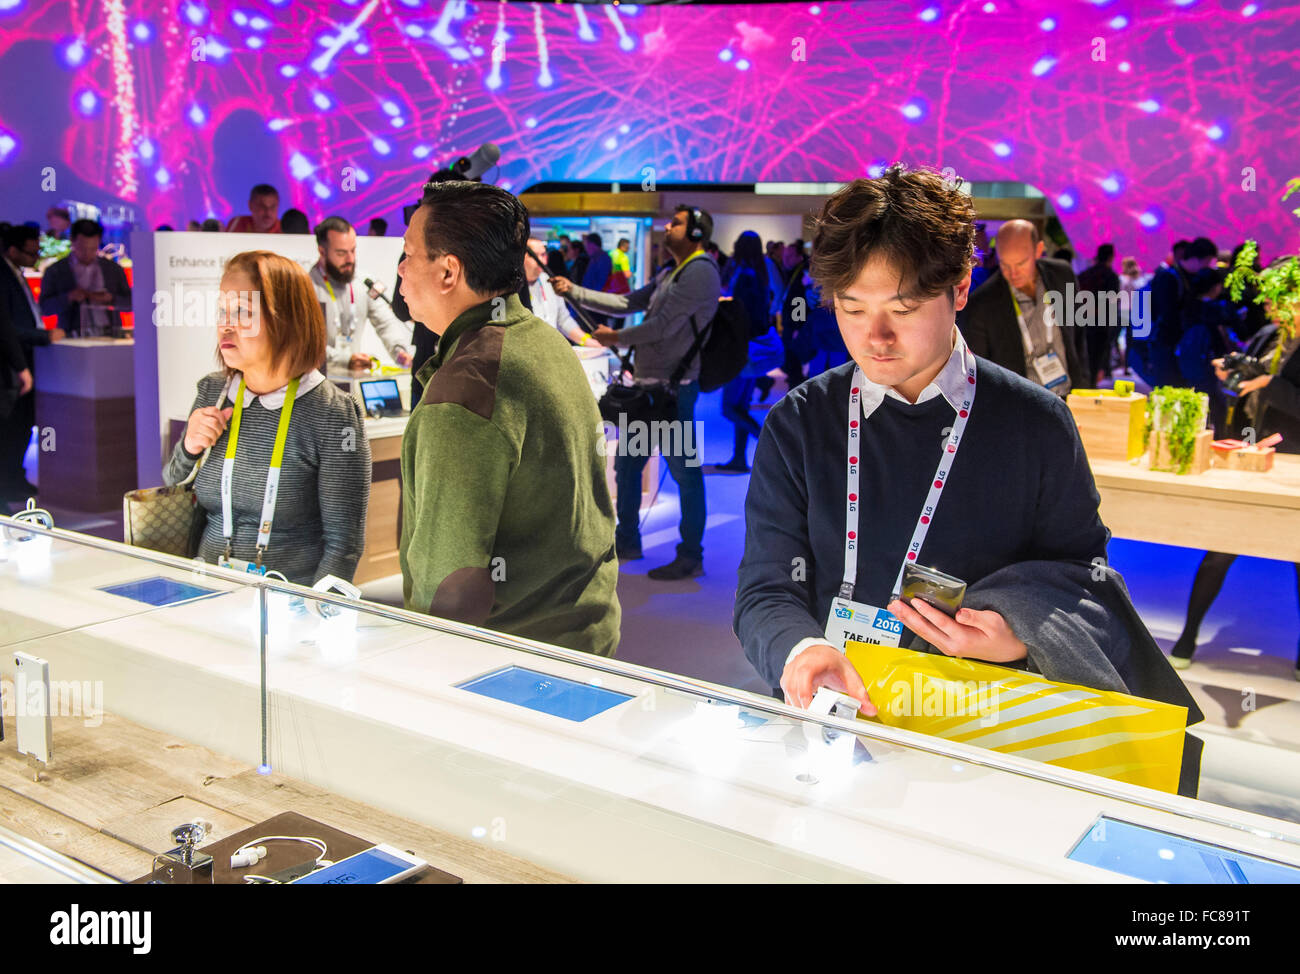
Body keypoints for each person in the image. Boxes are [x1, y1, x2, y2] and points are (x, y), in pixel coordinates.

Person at [732, 167, 1202, 792]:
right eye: (851, 308)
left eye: (901, 309)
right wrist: (798, 651)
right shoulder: (800, 423)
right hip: (832, 716)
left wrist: (1021, 631)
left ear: (959, 288)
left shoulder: (1035, 422)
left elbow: (1087, 582)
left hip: (985, 729)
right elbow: (766, 588)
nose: (874, 338)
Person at [396, 180, 620, 656]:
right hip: (581, 637)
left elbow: (449, 587)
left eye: (408, 253)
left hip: (508, 666)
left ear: (448, 271)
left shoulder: (466, 390)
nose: (399, 270)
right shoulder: (542, 341)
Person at [163, 251, 371, 584]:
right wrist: (189, 447)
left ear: (286, 318)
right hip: (204, 590)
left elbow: (343, 544)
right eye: (222, 311)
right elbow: (172, 482)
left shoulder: (333, 412)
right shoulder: (212, 392)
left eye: (242, 311)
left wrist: (314, 616)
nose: (226, 325)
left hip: (286, 608)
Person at [553, 206, 722, 580]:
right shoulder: (671, 271)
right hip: (646, 389)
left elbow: (661, 326)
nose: (667, 226)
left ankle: (690, 554)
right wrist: (574, 291)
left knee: (685, 475)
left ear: (695, 231)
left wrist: (616, 337)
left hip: (673, 393)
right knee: (627, 467)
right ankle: (626, 539)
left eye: (676, 223)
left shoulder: (700, 272)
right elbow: (629, 302)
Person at [1173, 327, 1300, 676]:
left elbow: (1277, 392)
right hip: (1251, 456)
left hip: (1294, 466)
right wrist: (1229, 377)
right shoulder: (1270, 334)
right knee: (1221, 548)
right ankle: (1188, 636)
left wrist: (1268, 384)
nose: (1275, 308)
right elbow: (1240, 394)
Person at [958, 219, 1089, 396]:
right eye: (1005, 264)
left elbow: (1079, 334)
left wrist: (1085, 384)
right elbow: (980, 372)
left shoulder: (1062, 275)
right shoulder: (982, 303)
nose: (1013, 273)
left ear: (1038, 250)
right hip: (1022, 406)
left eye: (1021, 264)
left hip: (1069, 395)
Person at [1, 223, 66, 502]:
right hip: (11, 363)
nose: (35, 257)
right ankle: (7, 483)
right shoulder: (2, 275)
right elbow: (6, 327)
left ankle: (14, 478)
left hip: (23, 358)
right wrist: (42, 337)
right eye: (30, 253)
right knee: (11, 426)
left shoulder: (15, 273)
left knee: (22, 424)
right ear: (13, 249)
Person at [712, 231, 784, 473]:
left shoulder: (745, 276)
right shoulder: (760, 275)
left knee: (729, 408)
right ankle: (739, 458)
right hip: (753, 351)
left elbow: (741, 317)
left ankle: (775, 447)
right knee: (739, 407)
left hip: (742, 351)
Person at [309, 216, 413, 373]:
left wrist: (399, 351)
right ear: (322, 251)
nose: (350, 259)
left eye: (353, 250)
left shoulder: (364, 281)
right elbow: (303, 343)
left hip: (350, 382)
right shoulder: (306, 286)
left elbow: (384, 322)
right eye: (341, 253)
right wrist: (344, 360)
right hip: (315, 382)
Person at [38, 219, 131, 337]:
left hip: (110, 334)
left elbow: (130, 303)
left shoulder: (113, 269)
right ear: (72, 241)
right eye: (82, 248)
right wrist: (69, 297)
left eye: (93, 248)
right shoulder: (56, 271)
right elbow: (44, 308)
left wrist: (111, 299)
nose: (87, 253)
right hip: (72, 336)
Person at [525, 239, 590, 346]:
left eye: (543, 255)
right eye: (535, 256)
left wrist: (587, 341)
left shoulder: (548, 280)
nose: (542, 261)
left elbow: (563, 319)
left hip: (550, 351)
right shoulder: (510, 288)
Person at [1077, 243, 1122, 383]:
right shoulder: (1110, 276)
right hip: (1101, 324)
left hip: (1082, 321)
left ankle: (1085, 385)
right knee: (1096, 359)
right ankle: (1091, 386)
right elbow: (1112, 302)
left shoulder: (1085, 274)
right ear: (1111, 257)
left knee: (1085, 357)